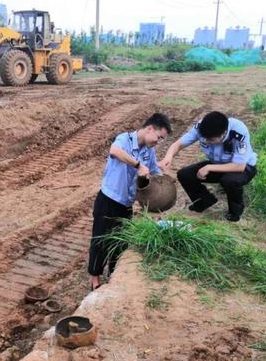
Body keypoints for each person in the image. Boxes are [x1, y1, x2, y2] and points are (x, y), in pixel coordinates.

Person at [88, 113, 172, 290]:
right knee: (100, 240)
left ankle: (113, 276)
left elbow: (154, 170)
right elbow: (114, 151)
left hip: (126, 204)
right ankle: (95, 279)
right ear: (150, 129)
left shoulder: (149, 151)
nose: (159, 142)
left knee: (120, 242)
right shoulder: (124, 139)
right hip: (109, 199)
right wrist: (137, 165)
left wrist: (165, 174)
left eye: (162, 140)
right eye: (159, 137)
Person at [159, 111, 257, 222]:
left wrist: (209, 168)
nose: (207, 141)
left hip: (244, 168)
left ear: (224, 133)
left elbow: (239, 166)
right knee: (184, 174)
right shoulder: (201, 127)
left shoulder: (238, 131)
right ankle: (204, 201)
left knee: (230, 181)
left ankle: (235, 212)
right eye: (205, 138)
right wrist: (168, 157)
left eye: (211, 140)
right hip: (218, 164)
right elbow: (179, 144)